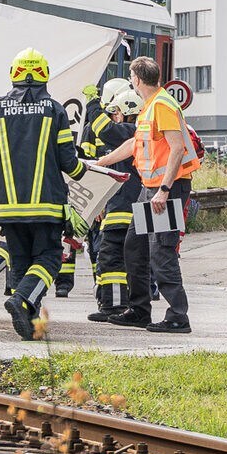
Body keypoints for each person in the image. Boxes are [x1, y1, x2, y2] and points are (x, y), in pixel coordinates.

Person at [0, 48, 89, 341]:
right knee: (50, 257)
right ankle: (22, 301)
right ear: (44, 74)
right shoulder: (55, 110)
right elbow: (69, 162)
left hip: (7, 206)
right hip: (46, 204)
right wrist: (82, 171)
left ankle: (27, 322)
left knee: (21, 260)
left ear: (14, 74)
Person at [91, 56, 194, 333]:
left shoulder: (162, 105)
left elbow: (177, 148)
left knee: (161, 251)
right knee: (134, 246)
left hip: (165, 190)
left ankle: (177, 316)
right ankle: (139, 310)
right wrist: (103, 162)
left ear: (136, 80)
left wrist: (163, 190)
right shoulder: (151, 106)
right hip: (150, 189)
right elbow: (133, 143)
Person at [85, 85, 140, 323]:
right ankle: (122, 304)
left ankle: (115, 305)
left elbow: (104, 129)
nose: (115, 117)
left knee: (111, 258)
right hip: (129, 207)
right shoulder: (135, 132)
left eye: (117, 112)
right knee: (126, 259)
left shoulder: (130, 131)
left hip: (122, 210)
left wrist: (92, 103)